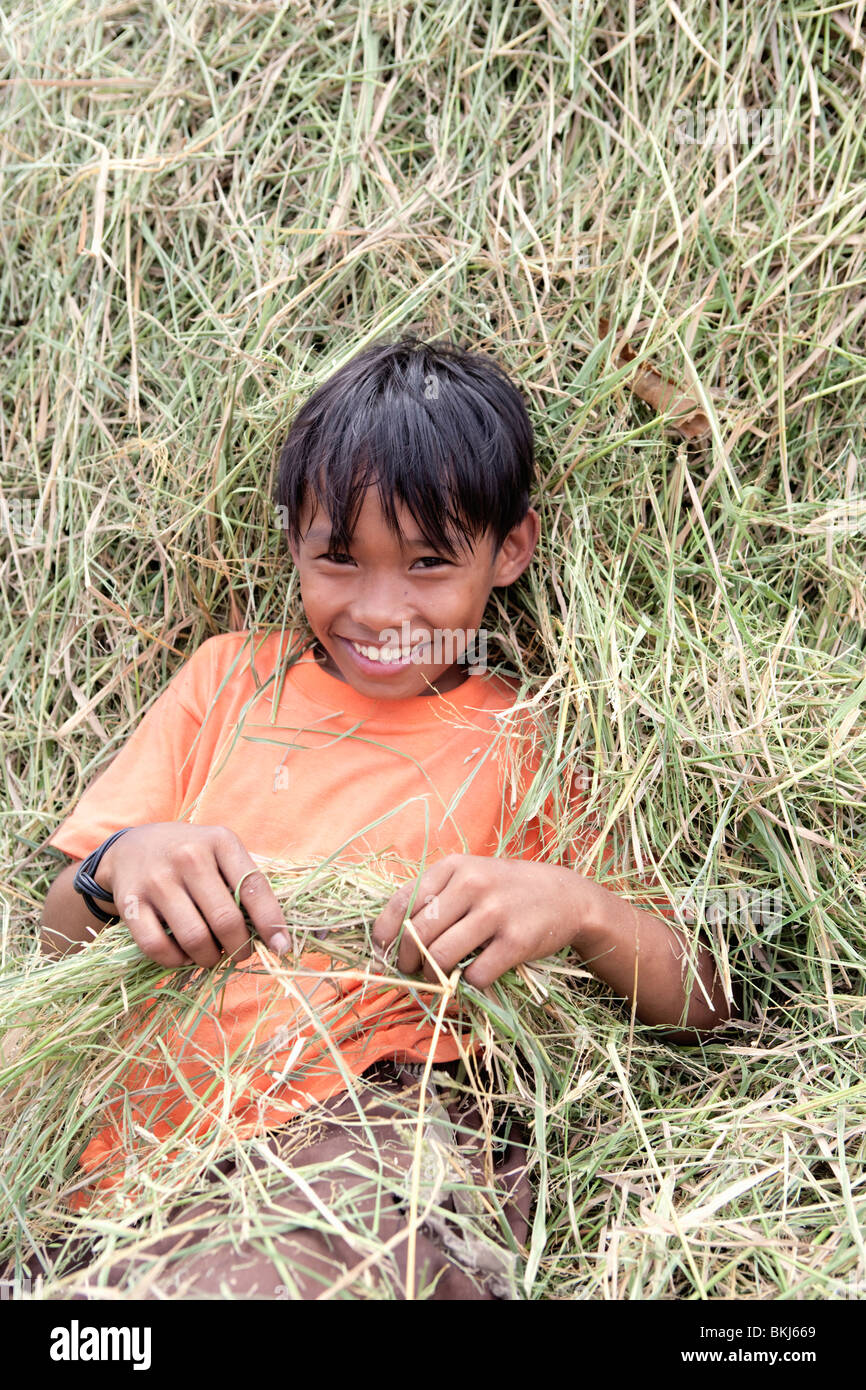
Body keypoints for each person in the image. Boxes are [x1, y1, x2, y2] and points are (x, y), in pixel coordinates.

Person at [39, 335, 734, 1299]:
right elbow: (55, 938)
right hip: (132, 1165)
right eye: (338, 557)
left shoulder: (526, 743)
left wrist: (577, 908)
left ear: (511, 551)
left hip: (376, 1132)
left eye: (428, 562)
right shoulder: (229, 683)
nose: (378, 609)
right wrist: (118, 864)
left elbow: (703, 996)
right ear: (293, 540)